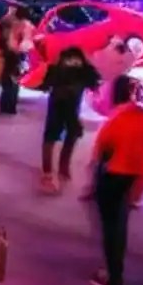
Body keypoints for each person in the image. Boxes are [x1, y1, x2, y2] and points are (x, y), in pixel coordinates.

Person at [87, 76, 143, 285]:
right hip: (132, 178)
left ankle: (114, 280)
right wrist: (139, 192)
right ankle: (115, 273)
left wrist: (94, 176)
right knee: (120, 224)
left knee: (110, 226)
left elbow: (101, 145)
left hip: (113, 174)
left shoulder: (123, 114)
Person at [36, 47, 100, 193]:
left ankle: (48, 173)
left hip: (57, 101)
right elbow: (95, 82)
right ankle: (63, 169)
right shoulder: (83, 63)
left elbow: (45, 84)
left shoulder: (58, 59)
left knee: (50, 137)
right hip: (72, 104)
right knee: (71, 134)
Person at [0, 5, 34, 115]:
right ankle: (9, 107)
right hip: (15, 54)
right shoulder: (23, 24)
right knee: (12, 81)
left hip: (10, 54)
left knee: (8, 81)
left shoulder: (9, 23)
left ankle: (6, 107)